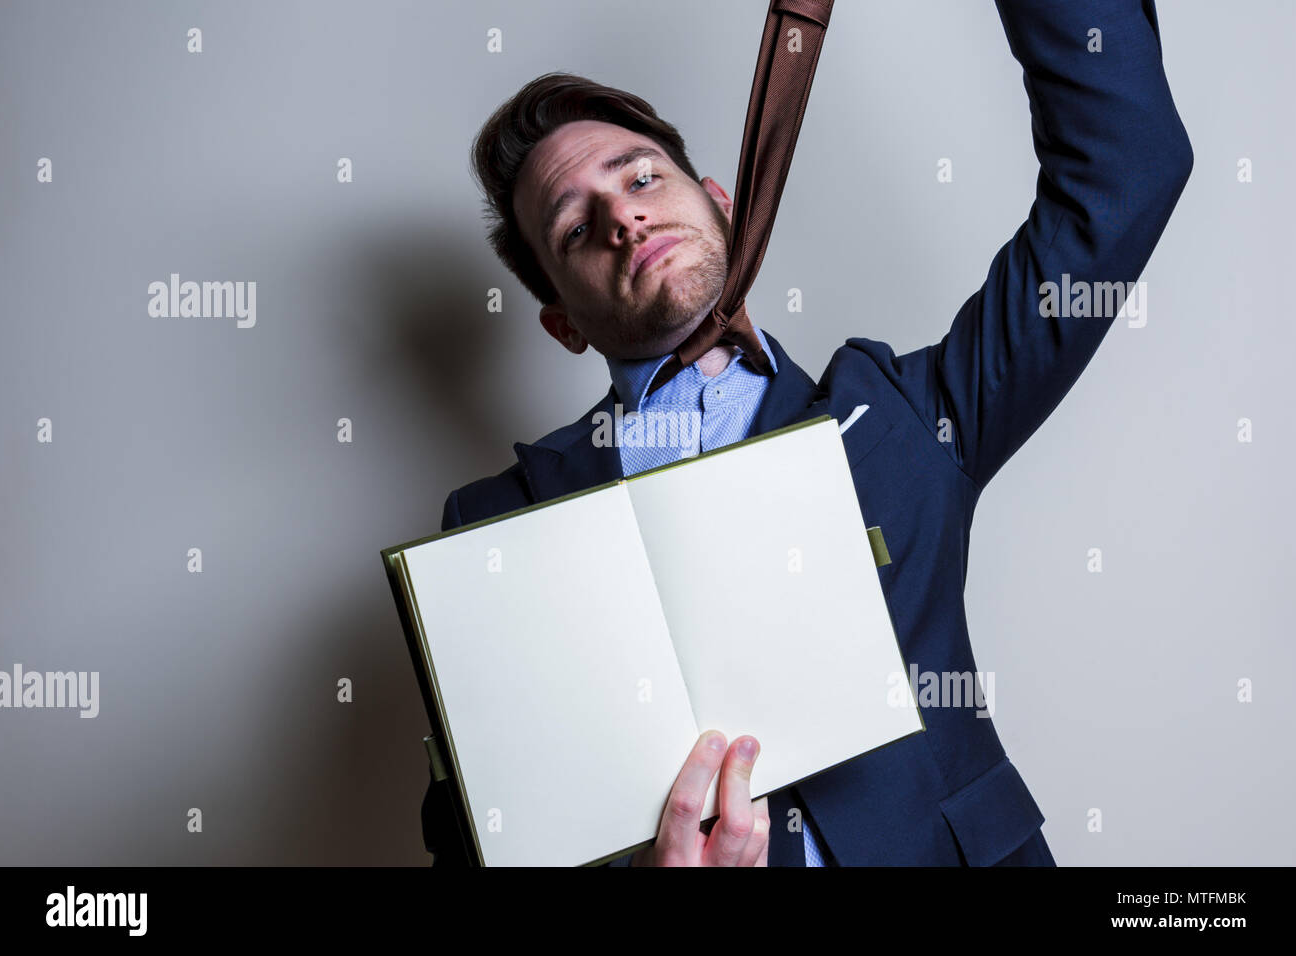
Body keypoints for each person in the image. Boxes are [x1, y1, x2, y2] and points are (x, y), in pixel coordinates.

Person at [422, 0, 1192, 866]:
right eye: (574, 226)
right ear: (563, 322)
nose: (621, 219)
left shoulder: (911, 416)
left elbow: (1126, 171)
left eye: (639, 178)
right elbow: (484, 829)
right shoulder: (496, 527)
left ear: (721, 203)